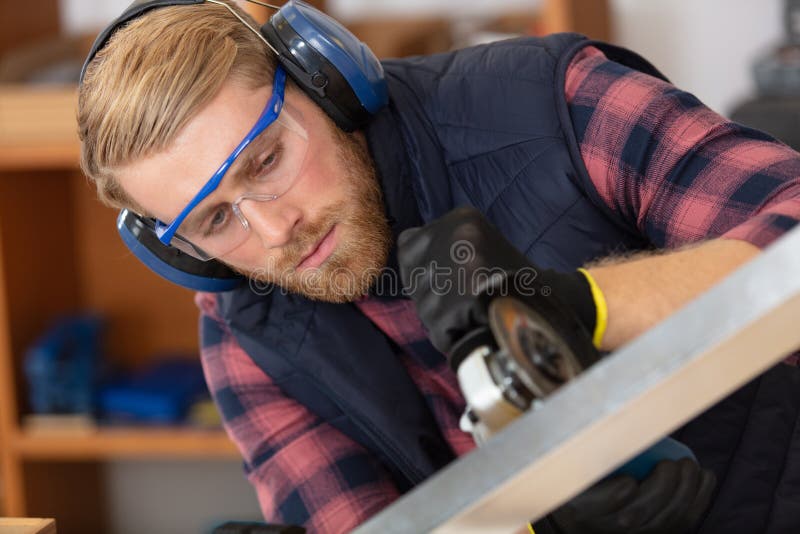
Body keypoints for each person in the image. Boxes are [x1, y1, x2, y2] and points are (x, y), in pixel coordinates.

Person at [77, 1, 800, 532]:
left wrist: (582, 305)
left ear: (325, 79)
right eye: (215, 220)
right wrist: (526, 520)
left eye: (267, 160)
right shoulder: (249, 338)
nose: (274, 229)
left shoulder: (547, 106)